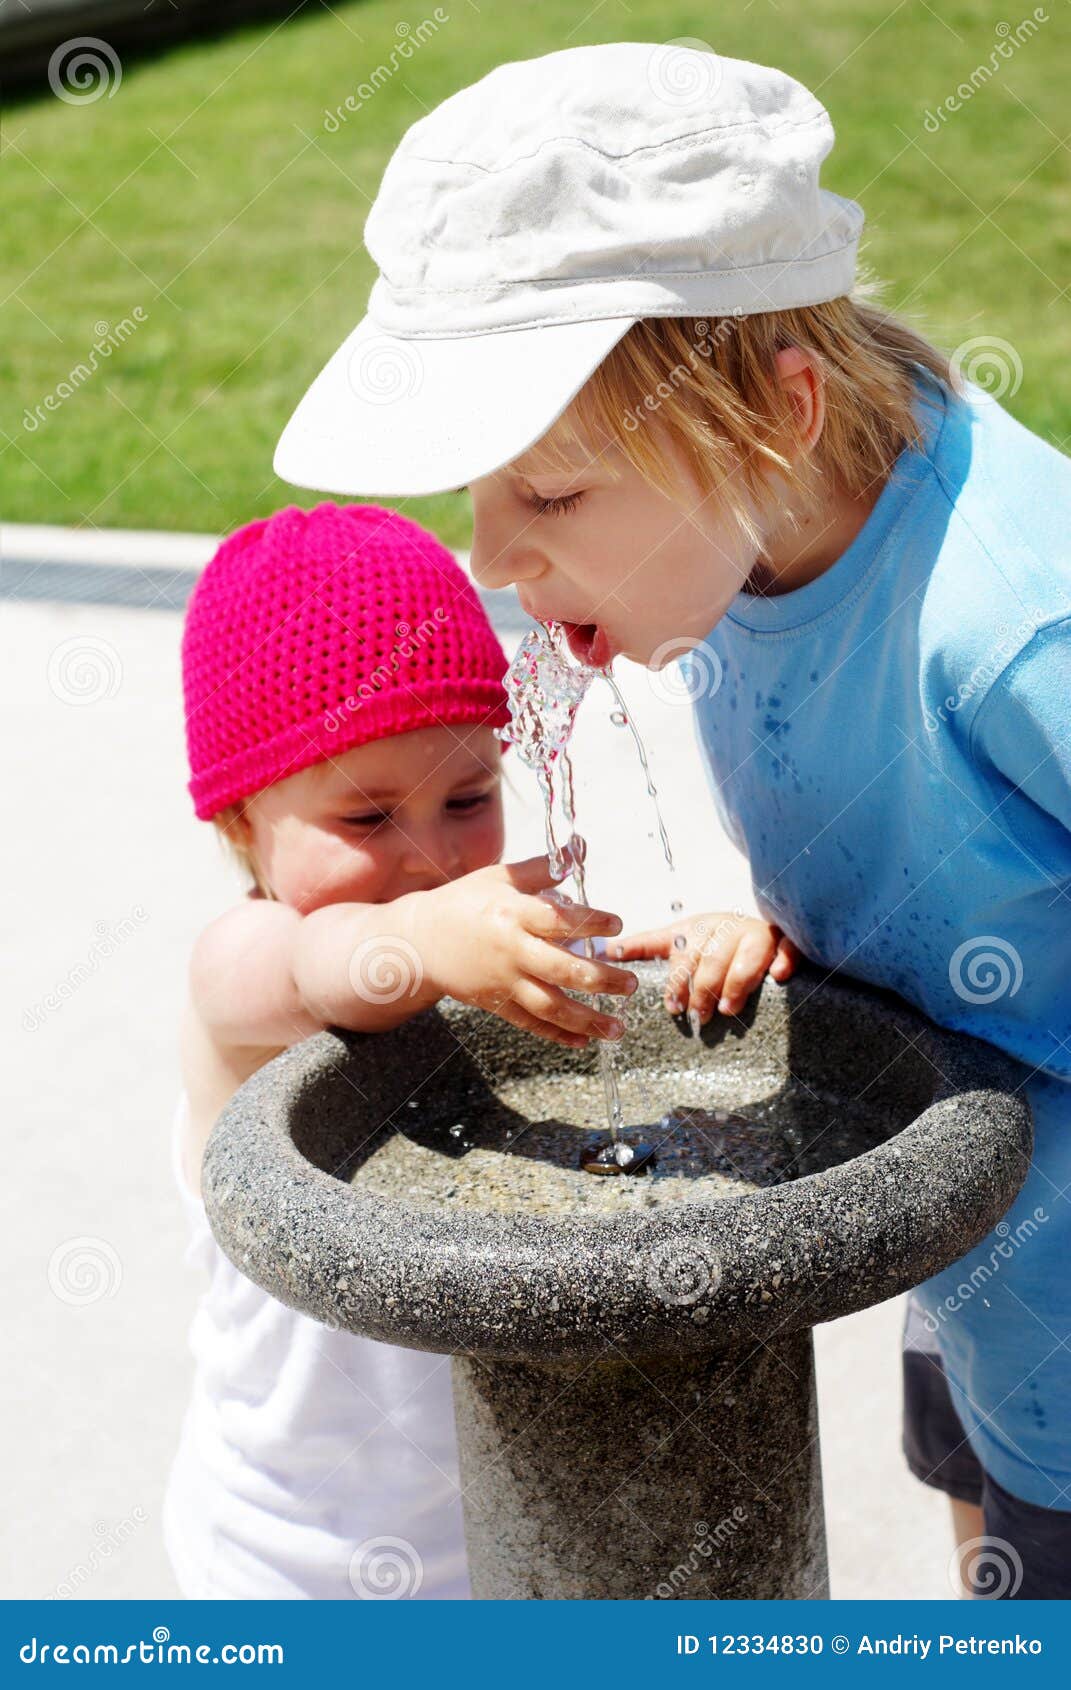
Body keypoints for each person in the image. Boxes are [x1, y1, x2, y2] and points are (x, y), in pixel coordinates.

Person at [270, 44, 1071, 1598]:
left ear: (774, 415)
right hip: (977, 1272)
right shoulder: (753, 546)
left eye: (550, 498)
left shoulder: (1012, 625)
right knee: (974, 1513)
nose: (495, 559)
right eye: (482, 499)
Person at [164, 499, 646, 1599]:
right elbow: (323, 966)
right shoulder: (241, 973)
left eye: (469, 796)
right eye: (367, 820)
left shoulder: (461, 948)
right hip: (291, 1573)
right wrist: (417, 940)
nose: (429, 859)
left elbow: (617, 1004)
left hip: (506, 1555)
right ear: (240, 822)